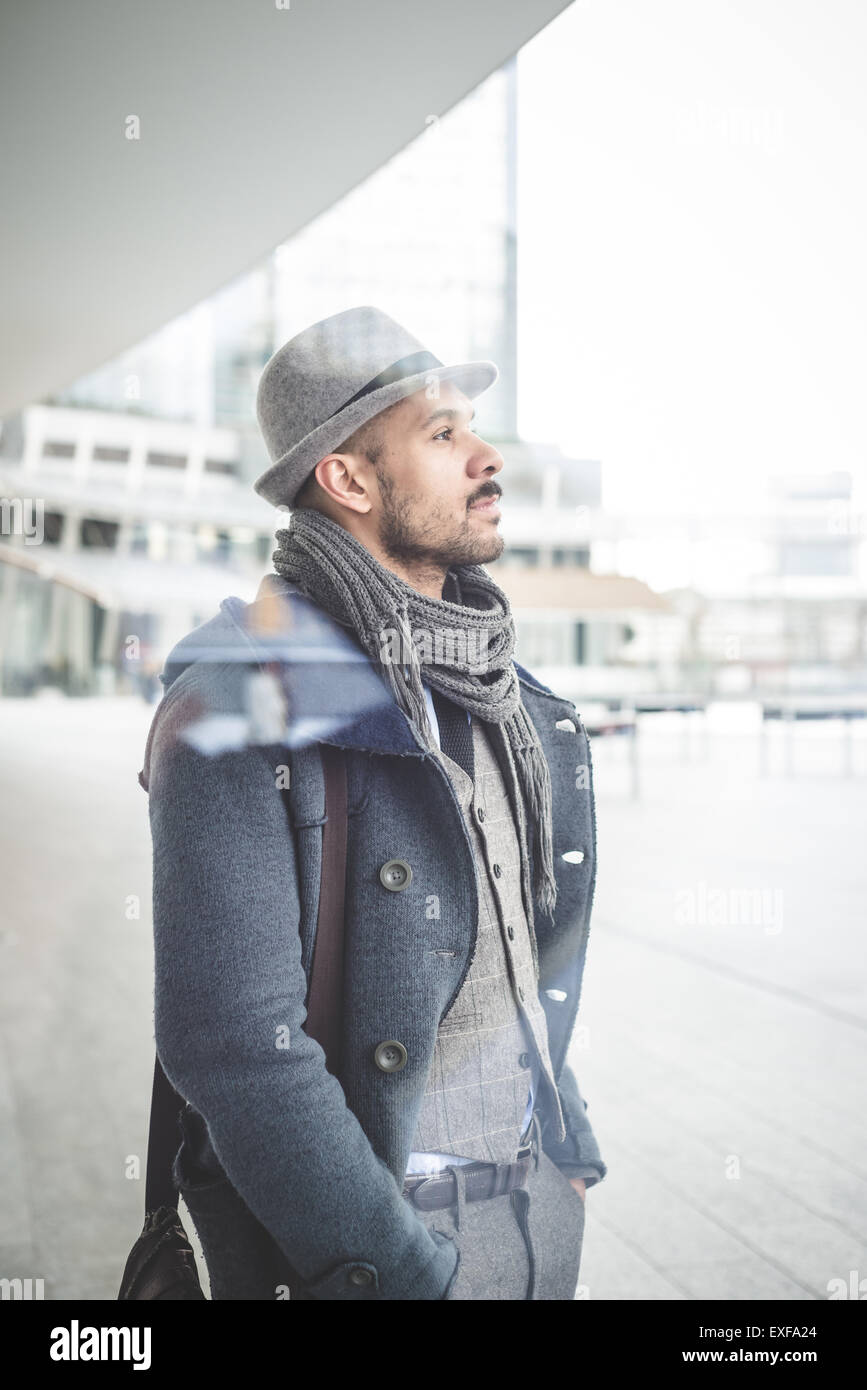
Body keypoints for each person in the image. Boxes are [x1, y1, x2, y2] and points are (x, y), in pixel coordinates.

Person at [143, 305, 607, 1300]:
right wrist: (402, 1273)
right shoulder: (238, 703)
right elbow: (234, 1051)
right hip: (373, 1258)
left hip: (537, 1223)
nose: (487, 456)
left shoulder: (510, 696)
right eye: (443, 434)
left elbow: (530, 960)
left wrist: (568, 1149)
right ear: (348, 479)